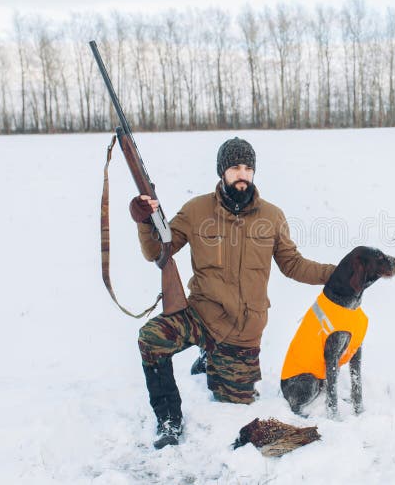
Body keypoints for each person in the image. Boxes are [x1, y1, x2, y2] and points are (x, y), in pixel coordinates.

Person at [129, 137, 335, 449]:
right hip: (201, 315)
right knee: (151, 338)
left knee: (235, 404)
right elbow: (158, 252)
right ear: (222, 171)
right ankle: (169, 420)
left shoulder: (272, 216)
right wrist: (146, 222)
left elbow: (293, 265)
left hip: (243, 331)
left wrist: (338, 273)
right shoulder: (196, 211)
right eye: (235, 167)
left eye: (248, 168)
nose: (242, 173)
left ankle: (210, 358)